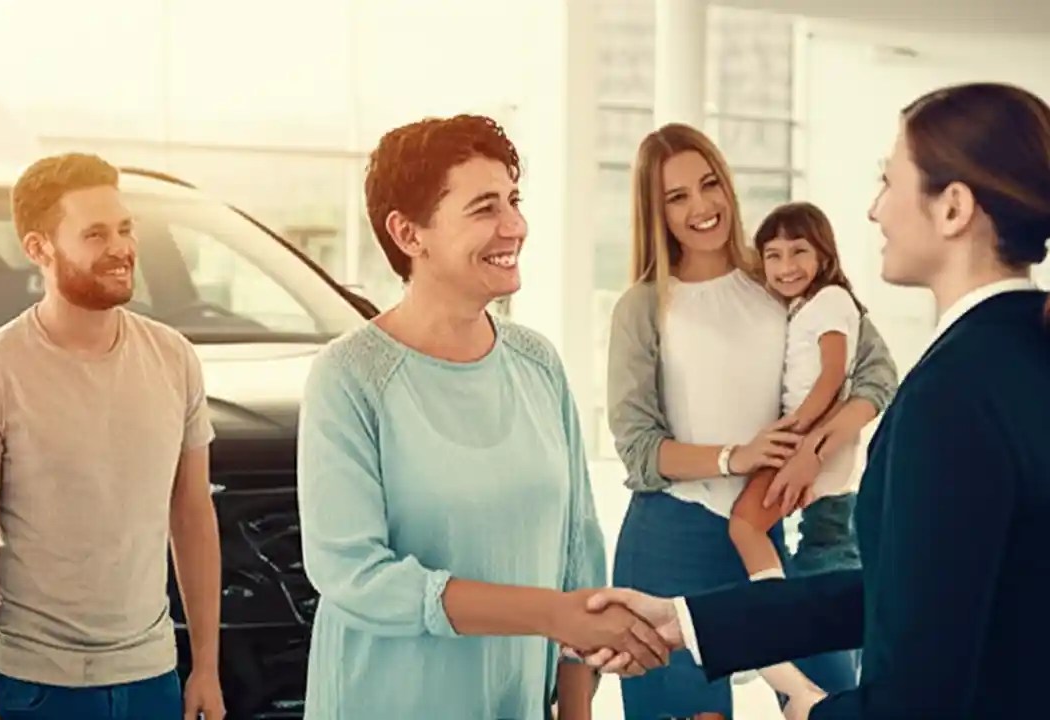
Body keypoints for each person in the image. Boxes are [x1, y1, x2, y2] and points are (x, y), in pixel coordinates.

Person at [587, 81, 1050, 720]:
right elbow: (914, 594)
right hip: (679, 532)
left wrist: (812, 713)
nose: (873, 210)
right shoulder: (1017, 354)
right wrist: (685, 621)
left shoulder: (951, 398)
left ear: (953, 209)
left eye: (889, 182)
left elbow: (917, 689)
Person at [296, 114, 664, 719]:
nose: (514, 225)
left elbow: (579, 554)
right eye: (485, 207)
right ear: (409, 234)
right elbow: (355, 575)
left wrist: (575, 708)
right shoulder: (349, 375)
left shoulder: (536, 363)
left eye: (514, 200)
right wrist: (547, 613)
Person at [603, 123, 898, 719]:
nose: (701, 207)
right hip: (669, 544)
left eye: (709, 184)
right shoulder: (643, 306)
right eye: (676, 197)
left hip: (761, 534)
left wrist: (814, 446)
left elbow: (876, 376)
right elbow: (638, 449)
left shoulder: (781, 281)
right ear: (654, 211)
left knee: (843, 696)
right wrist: (736, 456)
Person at [0, 153, 225, 720]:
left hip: (153, 680)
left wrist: (206, 668)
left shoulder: (173, 358)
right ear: (38, 248)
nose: (120, 248)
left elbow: (193, 515)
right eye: (95, 234)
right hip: (31, 688)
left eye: (125, 228)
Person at [729, 202, 868, 581]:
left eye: (799, 251)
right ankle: (783, 601)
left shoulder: (831, 300)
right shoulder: (802, 306)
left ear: (824, 254)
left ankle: (775, 606)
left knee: (746, 524)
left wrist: (796, 428)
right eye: (773, 256)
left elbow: (833, 374)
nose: (786, 266)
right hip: (807, 436)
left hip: (808, 435)